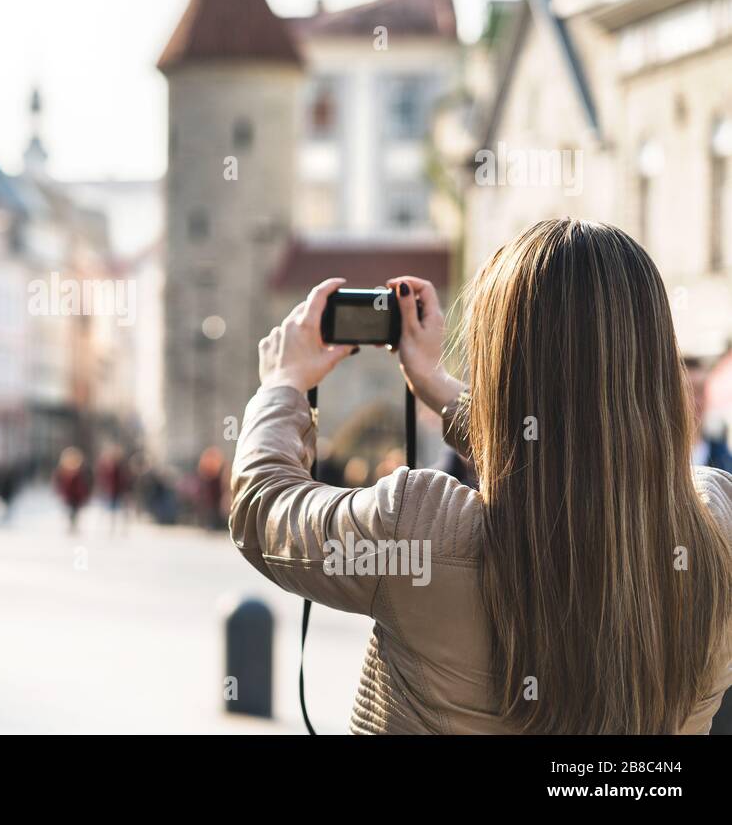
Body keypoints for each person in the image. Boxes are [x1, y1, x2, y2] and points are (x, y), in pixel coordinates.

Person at [231, 219, 732, 733]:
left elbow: (264, 508)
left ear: (499, 365)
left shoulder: (417, 532)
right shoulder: (717, 530)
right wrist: (434, 383)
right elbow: (575, 451)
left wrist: (283, 385)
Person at [53, 447, 91, 534]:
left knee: (75, 510)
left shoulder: (81, 470)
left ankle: (73, 525)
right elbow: (58, 482)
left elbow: (86, 482)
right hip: (68, 495)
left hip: (77, 495)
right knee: (71, 511)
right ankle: (71, 525)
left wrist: (86, 493)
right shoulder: (62, 470)